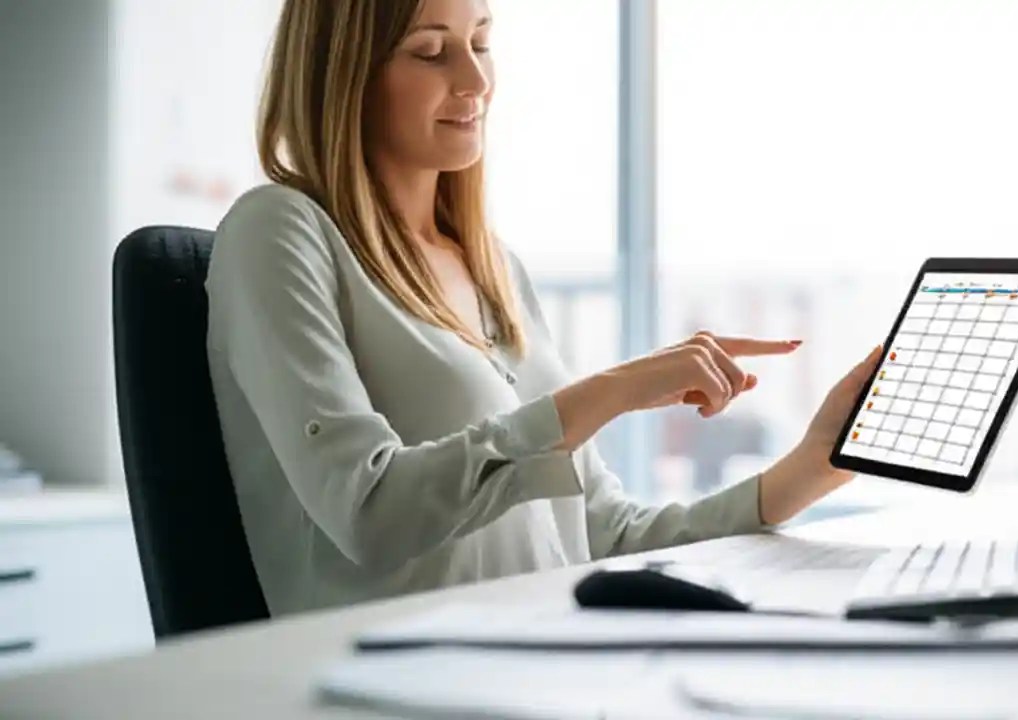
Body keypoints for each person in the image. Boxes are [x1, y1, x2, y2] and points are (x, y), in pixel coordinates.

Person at [206, 0, 883, 616]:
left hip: (544, 656)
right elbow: (369, 515)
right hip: (401, 675)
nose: (475, 81)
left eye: (481, 42)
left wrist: (805, 471)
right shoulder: (278, 231)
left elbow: (605, 535)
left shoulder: (494, 268)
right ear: (343, 72)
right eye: (430, 50)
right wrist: (609, 393)